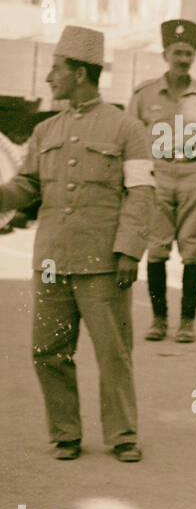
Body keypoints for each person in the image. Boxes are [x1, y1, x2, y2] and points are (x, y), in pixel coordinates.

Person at [0, 25, 154, 461]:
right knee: (48, 351)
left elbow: (141, 193)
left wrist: (127, 250)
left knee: (113, 353)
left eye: (57, 69)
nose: (50, 78)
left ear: (81, 73)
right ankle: (65, 433)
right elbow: (27, 187)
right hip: (51, 260)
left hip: (103, 262)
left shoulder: (128, 128)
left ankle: (123, 436)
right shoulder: (46, 130)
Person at [128, 18, 196, 343]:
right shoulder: (145, 94)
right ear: (166, 53)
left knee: (192, 251)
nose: (183, 59)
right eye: (177, 52)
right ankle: (158, 320)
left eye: (188, 53)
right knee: (156, 249)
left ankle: (187, 322)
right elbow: (130, 141)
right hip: (158, 175)